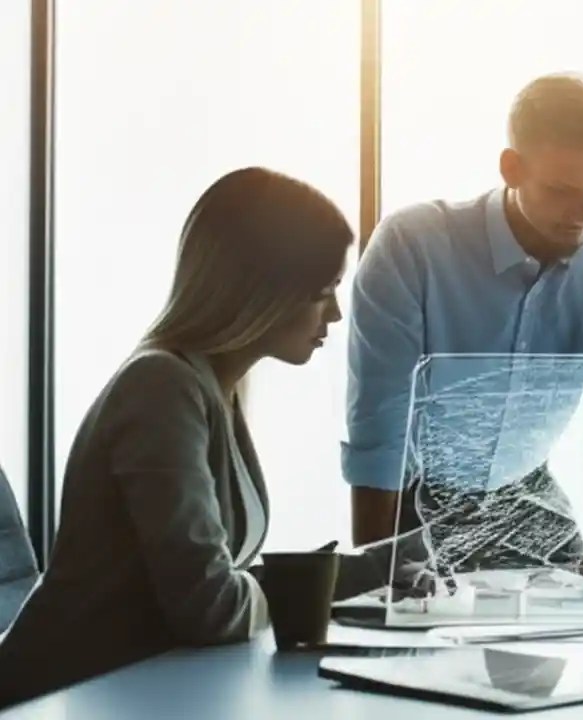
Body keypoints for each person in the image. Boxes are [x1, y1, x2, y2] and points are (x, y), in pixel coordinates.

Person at [0, 168, 357, 706]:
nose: (335, 312)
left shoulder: (215, 388)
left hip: (136, 691)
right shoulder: (161, 387)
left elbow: (219, 586)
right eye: (322, 291)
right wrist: (298, 598)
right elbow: (209, 606)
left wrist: (392, 564)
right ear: (261, 289)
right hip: (59, 696)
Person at [342, 73, 583, 580]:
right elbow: (380, 423)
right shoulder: (412, 245)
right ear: (511, 169)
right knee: (408, 648)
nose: (582, 214)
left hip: (527, 498)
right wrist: (376, 572)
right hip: (416, 501)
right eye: (560, 190)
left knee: (580, 631)